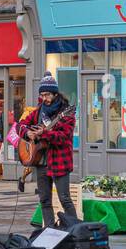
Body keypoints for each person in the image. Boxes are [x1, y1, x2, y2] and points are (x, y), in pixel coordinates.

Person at [15, 75, 78, 228]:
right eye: (42, 95)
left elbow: (63, 137)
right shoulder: (38, 112)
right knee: (44, 200)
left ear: (55, 94)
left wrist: (44, 133)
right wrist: (27, 133)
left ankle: (75, 229)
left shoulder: (66, 114)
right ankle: (49, 230)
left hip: (59, 161)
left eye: (47, 95)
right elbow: (19, 125)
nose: (44, 98)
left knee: (65, 199)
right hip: (40, 161)